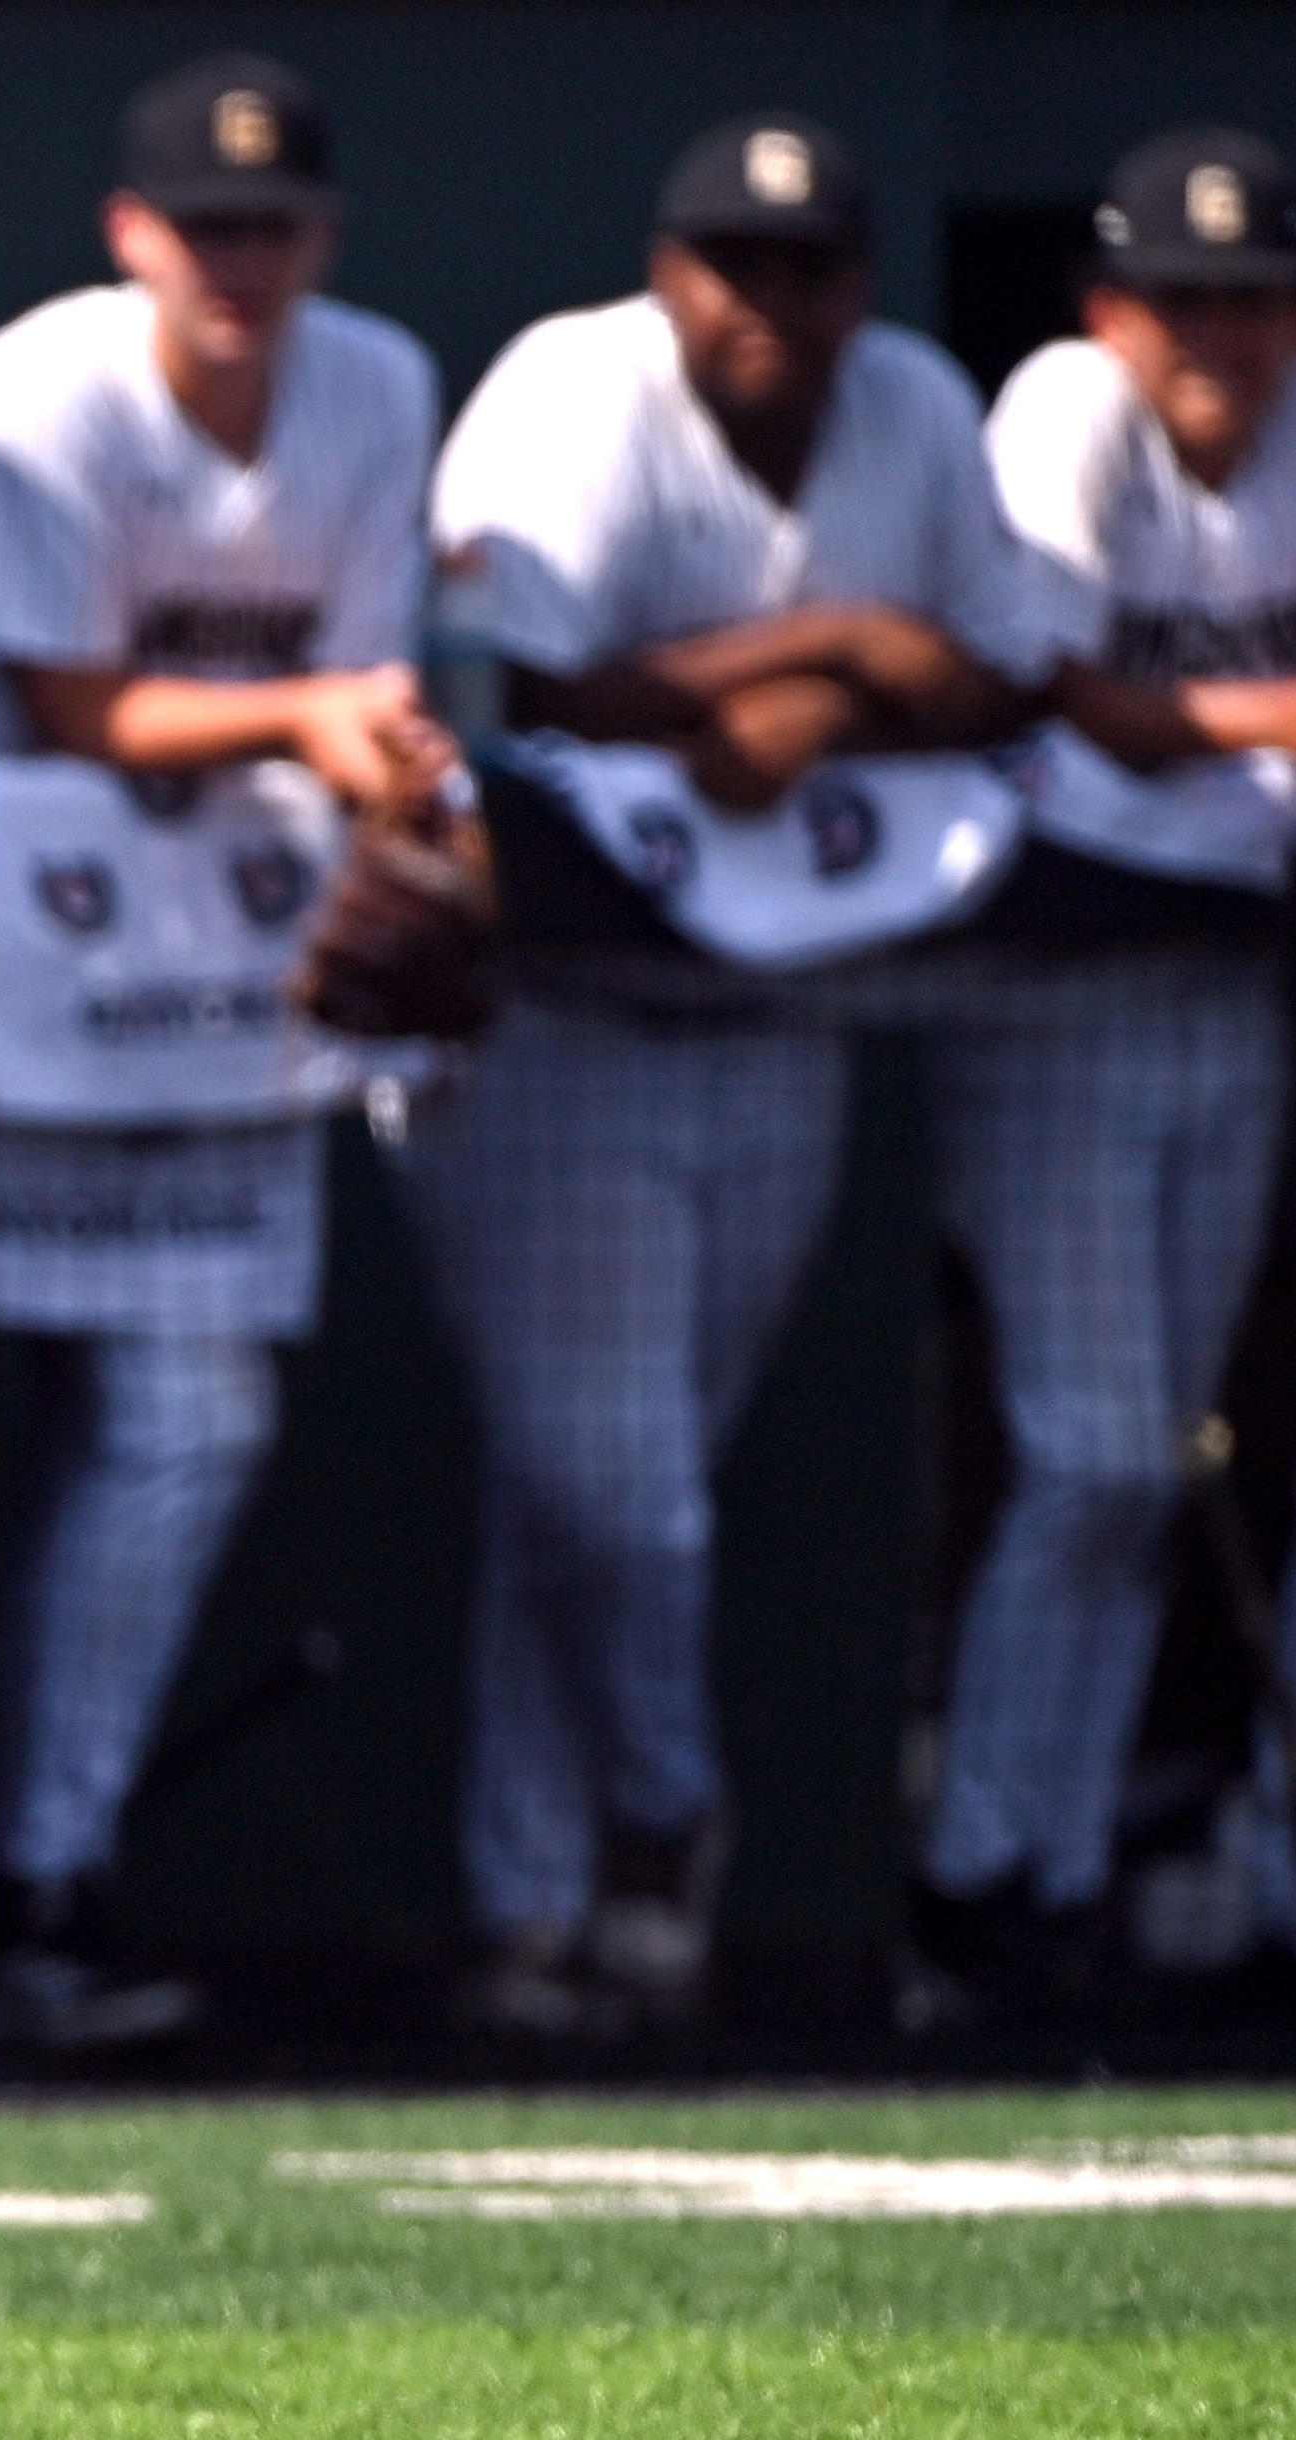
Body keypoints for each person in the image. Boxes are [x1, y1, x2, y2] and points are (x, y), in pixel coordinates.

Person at [413, 114, 1050, 2040]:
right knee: (625, 1499)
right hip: (549, 1036)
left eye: (809, 266)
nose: (769, 299)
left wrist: (833, 670)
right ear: (664, 269)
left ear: (858, 282)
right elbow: (518, 684)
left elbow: (1000, 674)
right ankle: (665, 1828)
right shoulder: (574, 392)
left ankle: (535, 1914)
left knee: (593, 1493)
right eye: (730, 263)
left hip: (778, 1032)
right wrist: (843, 648)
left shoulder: (915, 403)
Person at [0, 51, 446, 2051]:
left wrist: (375, 758)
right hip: (0, 981)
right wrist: (305, 721)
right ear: (132, 234)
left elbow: (363, 684)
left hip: (226, 995)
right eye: (203, 224)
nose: (240, 256)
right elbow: (55, 708)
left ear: (318, 236)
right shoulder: (34, 392)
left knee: (192, 1423)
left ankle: (41, 1892)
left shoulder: (373, 383)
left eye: (272, 221)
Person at [920, 126, 1296, 2020]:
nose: (1220, 330)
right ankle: (974, 1861)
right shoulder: (1065, 408)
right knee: (1076, 1456)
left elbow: (1169, 732)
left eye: (1253, 293)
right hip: (1055, 988)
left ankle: (1044, 1878)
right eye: (1184, 296)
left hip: (1228, 992)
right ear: (1110, 308)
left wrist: (1205, 737)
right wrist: (1257, 719)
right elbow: (1051, 686)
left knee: (1146, 1467)